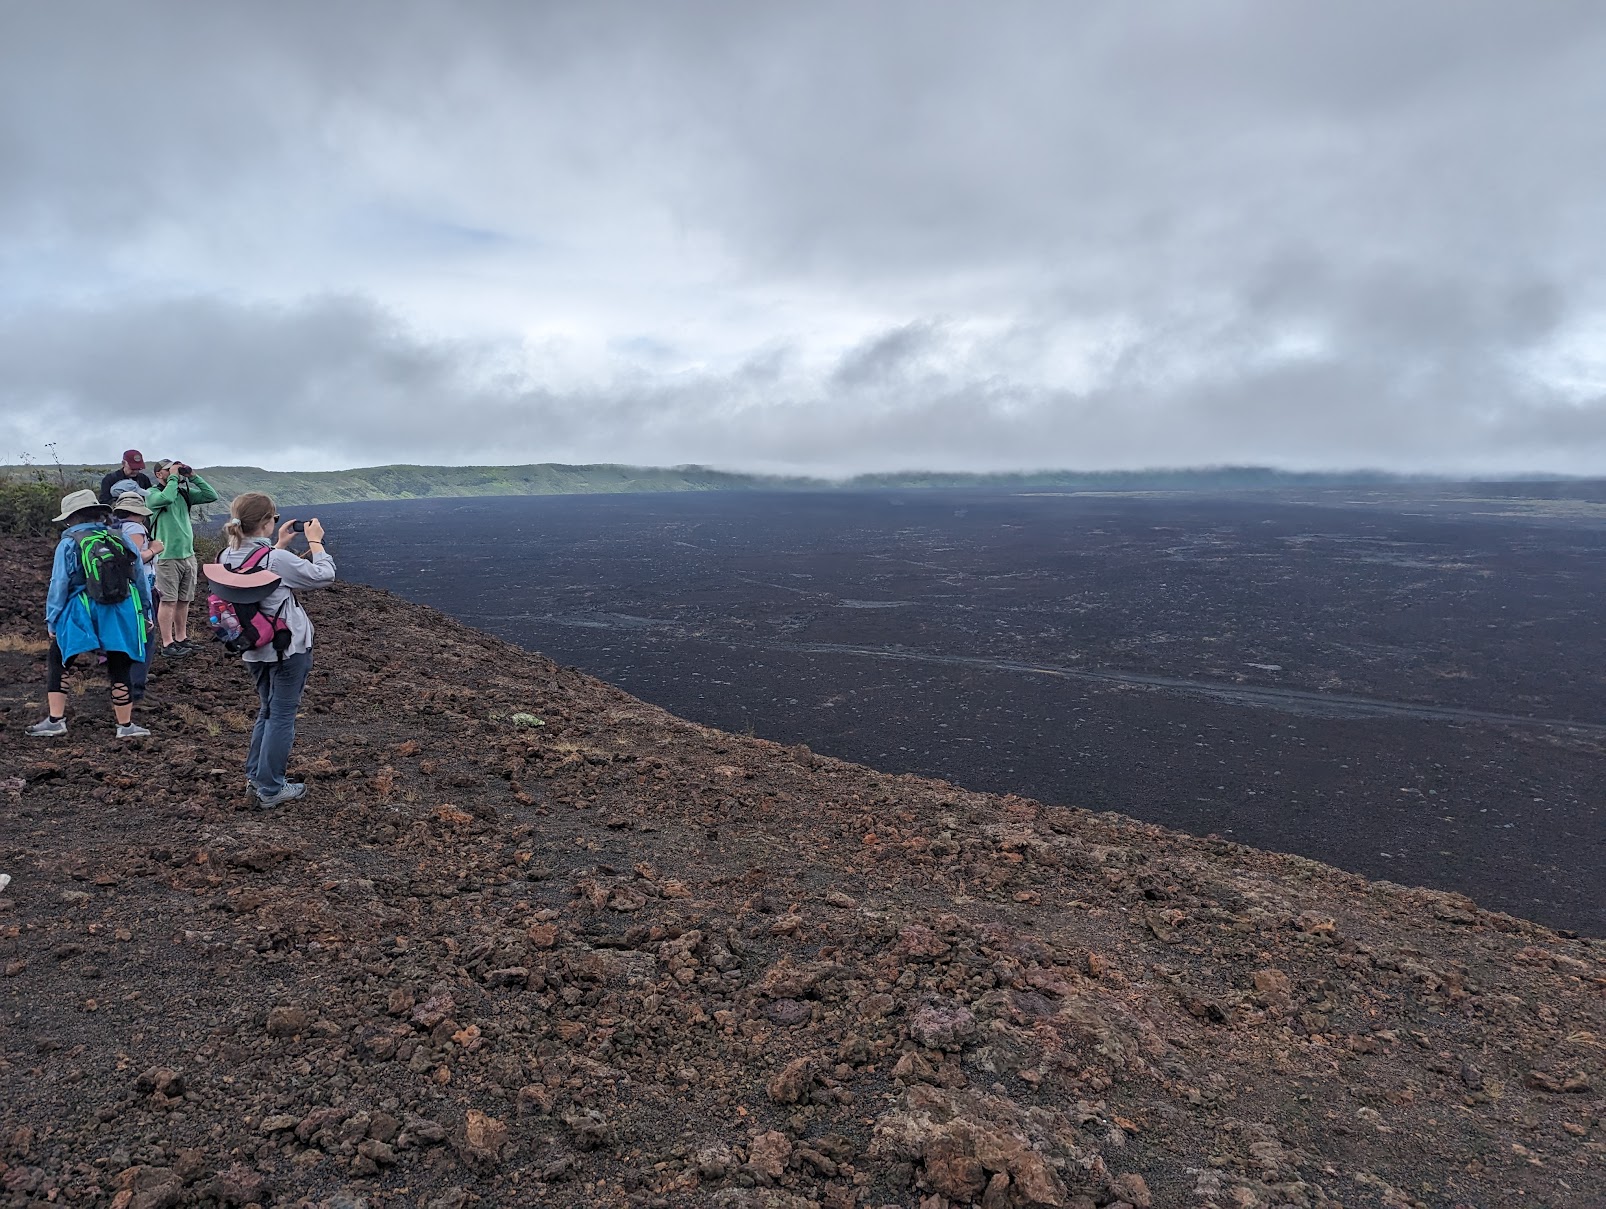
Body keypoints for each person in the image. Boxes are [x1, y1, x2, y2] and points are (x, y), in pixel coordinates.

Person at [218, 493, 335, 806]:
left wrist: (279, 543)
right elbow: (323, 576)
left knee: (267, 711)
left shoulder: (225, 557)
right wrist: (316, 544)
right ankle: (270, 788)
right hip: (287, 649)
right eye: (275, 519)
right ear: (266, 522)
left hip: (254, 648)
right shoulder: (275, 559)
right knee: (281, 716)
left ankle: (257, 778)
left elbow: (259, 574)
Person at [27, 489, 151, 739]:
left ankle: (56, 720)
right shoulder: (121, 537)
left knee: (59, 659)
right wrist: (145, 611)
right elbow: (139, 577)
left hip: (81, 609)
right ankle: (125, 726)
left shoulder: (69, 542)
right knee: (120, 664)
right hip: (121, 609)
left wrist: (53, 618)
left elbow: (59, 583)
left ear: (71, 517)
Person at [144, 458, 219, 659]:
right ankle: (167, 643)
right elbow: (166, 499)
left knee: (184, 600)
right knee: (168, 600)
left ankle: (181, 637)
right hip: (166, 557)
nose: (174, 473)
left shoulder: (182, 493)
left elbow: (211, 495)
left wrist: (193, 476)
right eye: (169, 471)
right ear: (159, 474)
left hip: (188, 555)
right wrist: (173, 479)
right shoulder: (152, 494)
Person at [110, 492, 162, 702]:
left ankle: (125, 685)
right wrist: (154, 549)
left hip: (121, 589)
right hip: (139, 590)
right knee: (145, 637)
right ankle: (136, 690)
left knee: (128, 638)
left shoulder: (114, 527)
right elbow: (135, 558)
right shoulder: (135, 528)